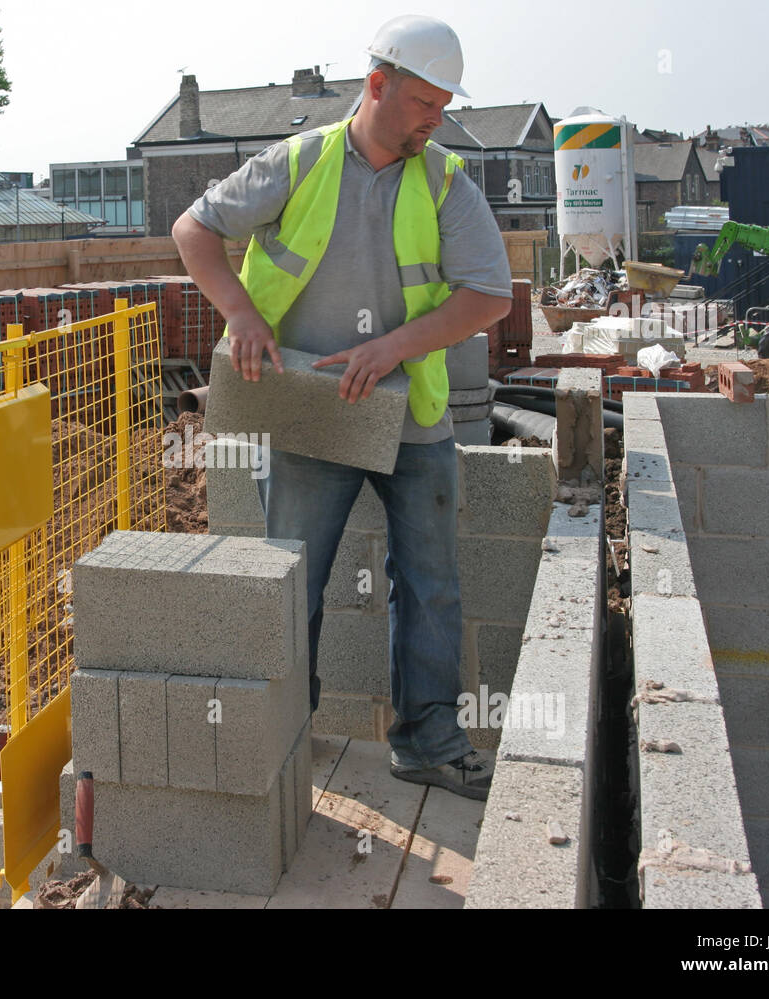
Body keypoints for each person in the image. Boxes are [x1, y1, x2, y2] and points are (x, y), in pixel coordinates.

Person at [172, 14, 513, 799]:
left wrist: (393, 346)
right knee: (294, 580)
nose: (437, 118)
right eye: (425, 102)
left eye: (444, 105)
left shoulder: (445, 181)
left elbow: (489, 297)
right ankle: (292, 734)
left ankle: (428, 741)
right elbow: (194, 230)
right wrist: (241, 315)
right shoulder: (301, 160)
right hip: (305, 412)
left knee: (431, 579)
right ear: (377, 86)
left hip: (412, 415)